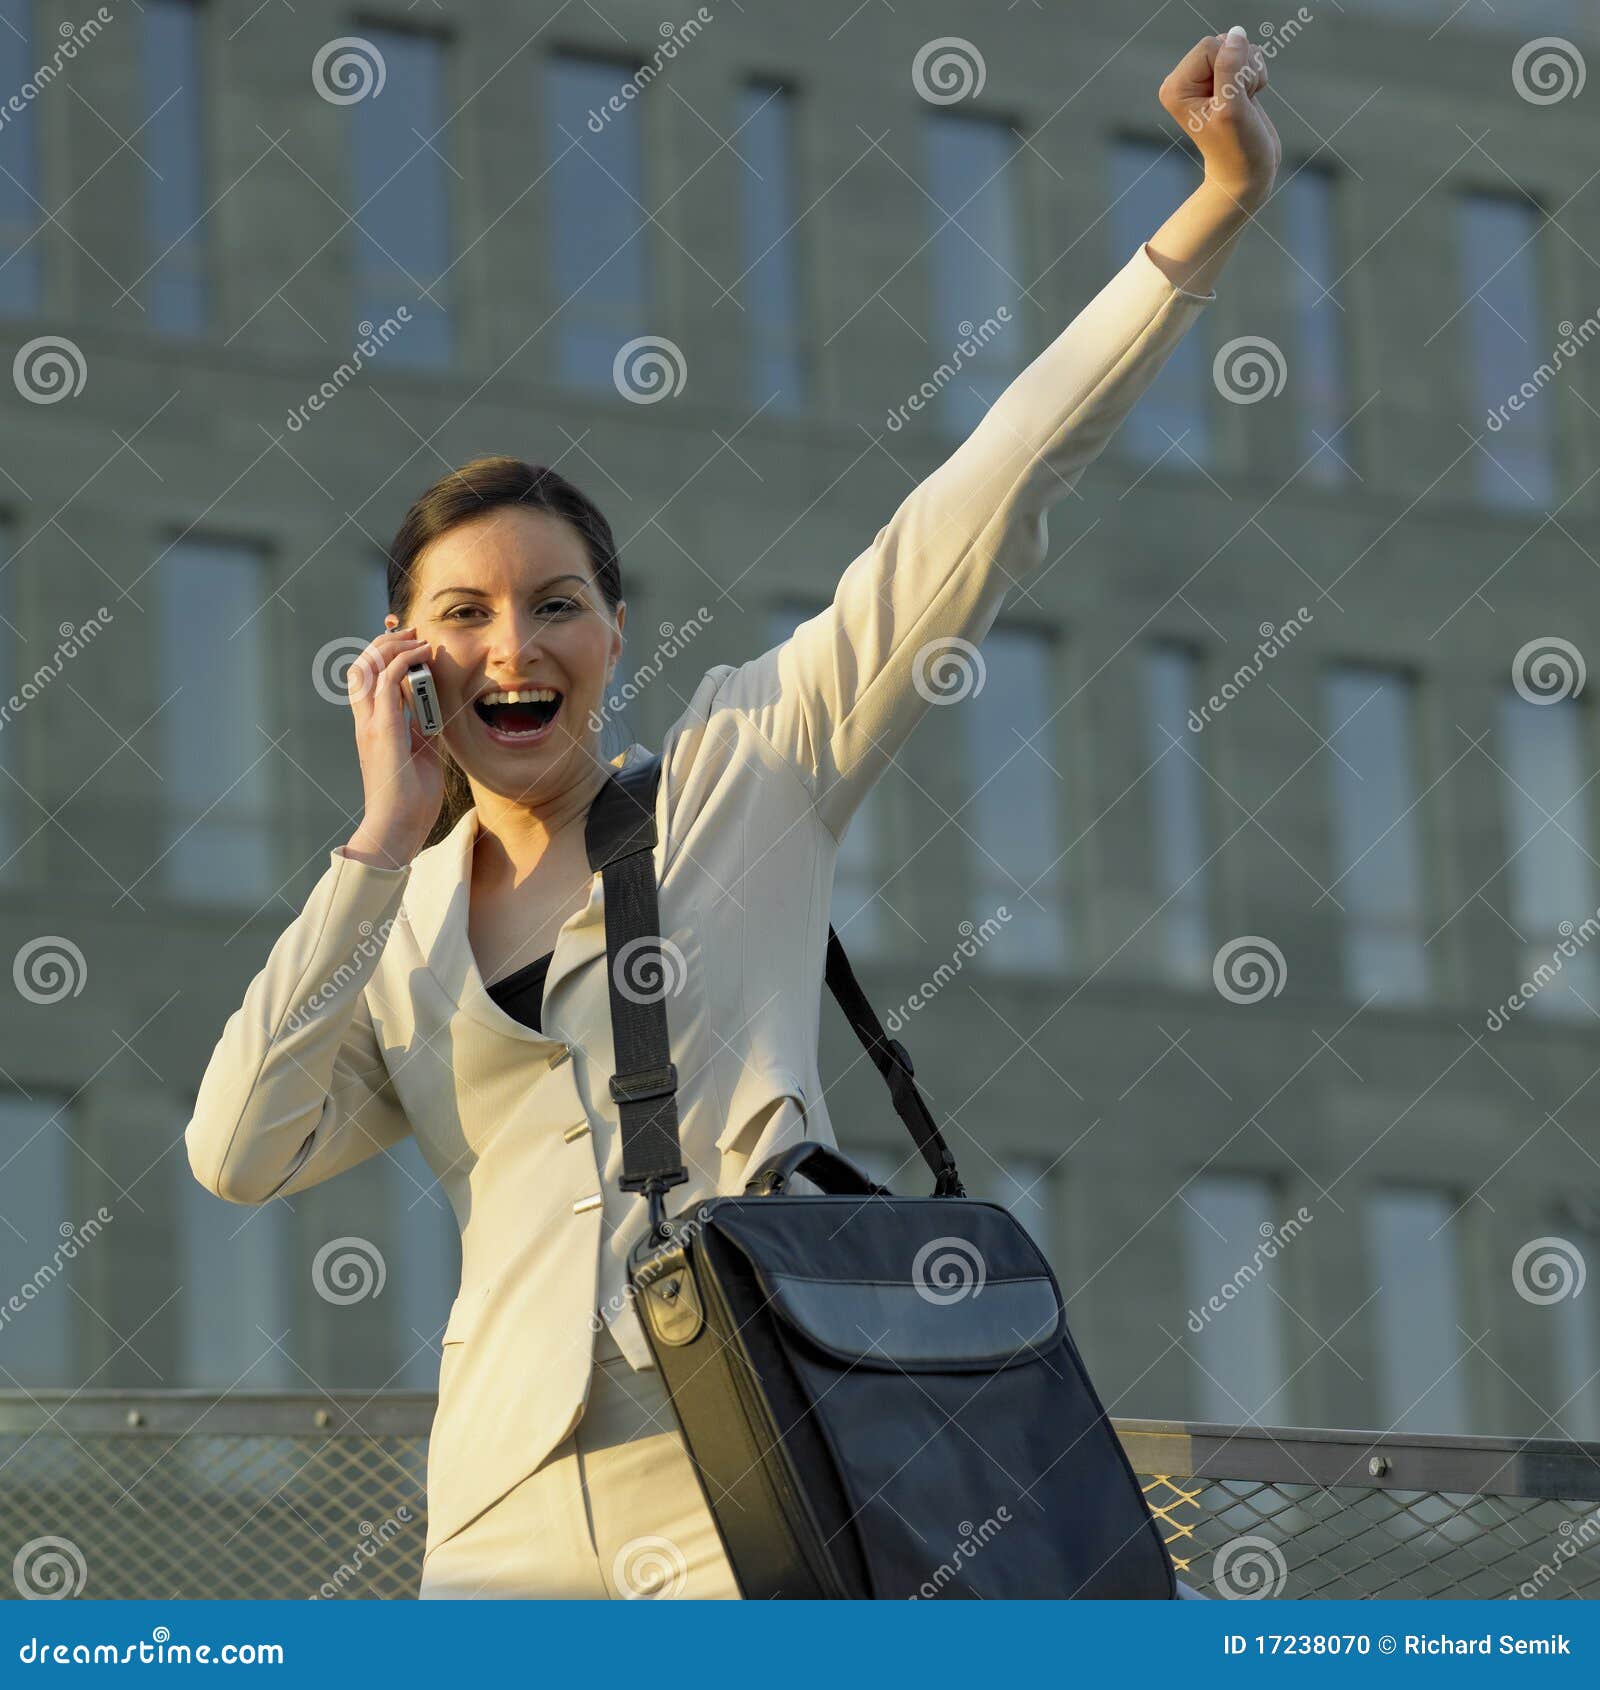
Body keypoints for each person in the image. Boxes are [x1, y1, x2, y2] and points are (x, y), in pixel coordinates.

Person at [184, 28, 1276, 1600]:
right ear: (406, 660)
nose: (516, 646)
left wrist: (1211, 213)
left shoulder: (745, 768)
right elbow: (236, 1149)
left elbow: (991, 487)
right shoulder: (401, 928)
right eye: (466, 615)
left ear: (612, 634)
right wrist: (375, 846)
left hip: (754, 1474)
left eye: (556, 604)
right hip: (492, 1527)